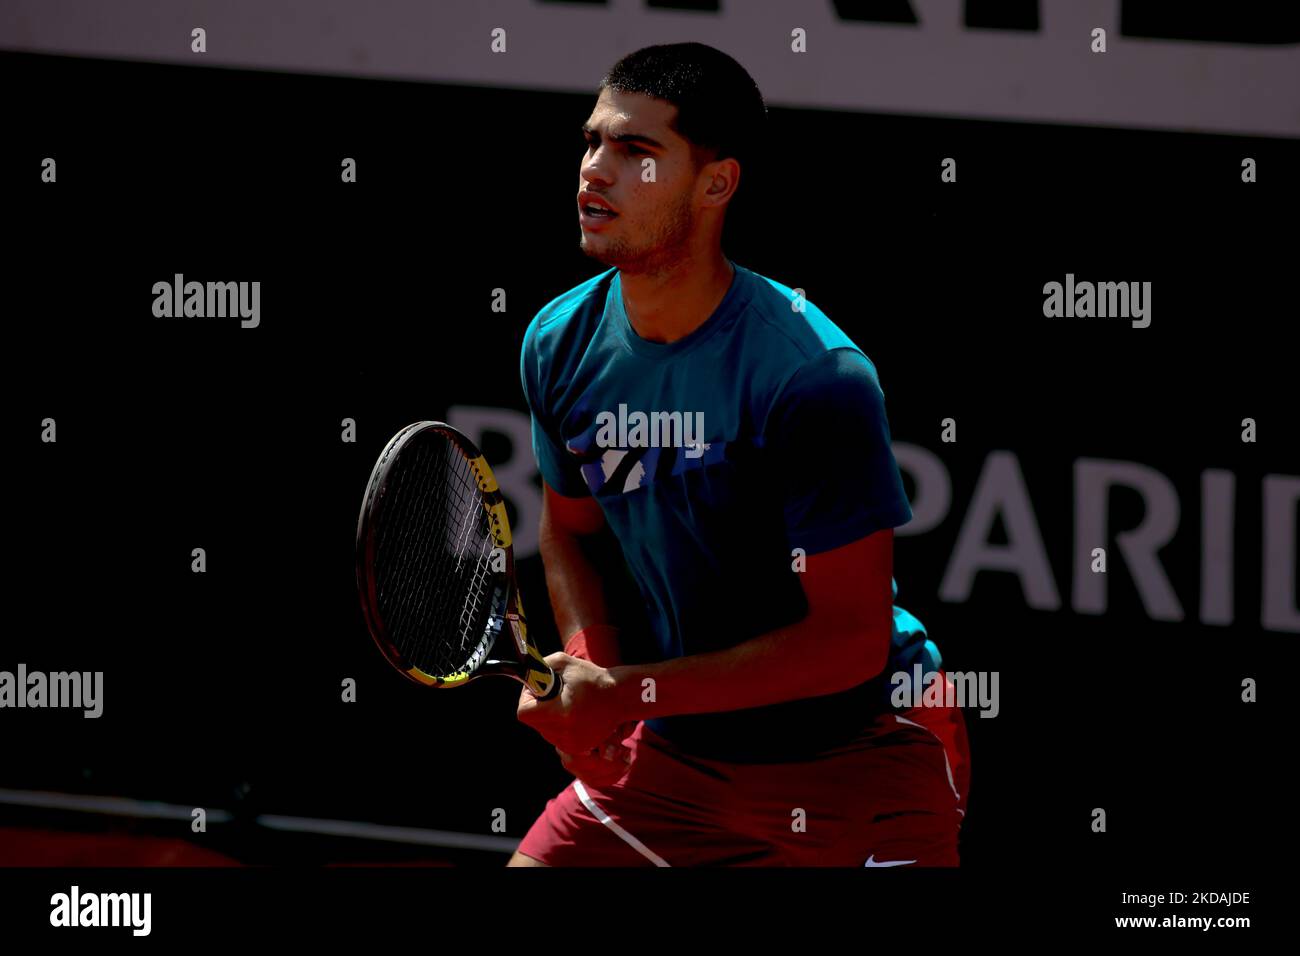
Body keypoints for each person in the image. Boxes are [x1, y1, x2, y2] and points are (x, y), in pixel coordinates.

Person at [510, 42, 969, 867]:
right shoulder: (558, 340)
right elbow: (571, 531)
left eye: (637, 152)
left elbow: (849, 640)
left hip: (856, 758)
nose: (595, 172)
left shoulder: (814, 378)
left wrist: (627, 693)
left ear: (716, 183)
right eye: (593, 142)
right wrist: (592, 669)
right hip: (673, 755)